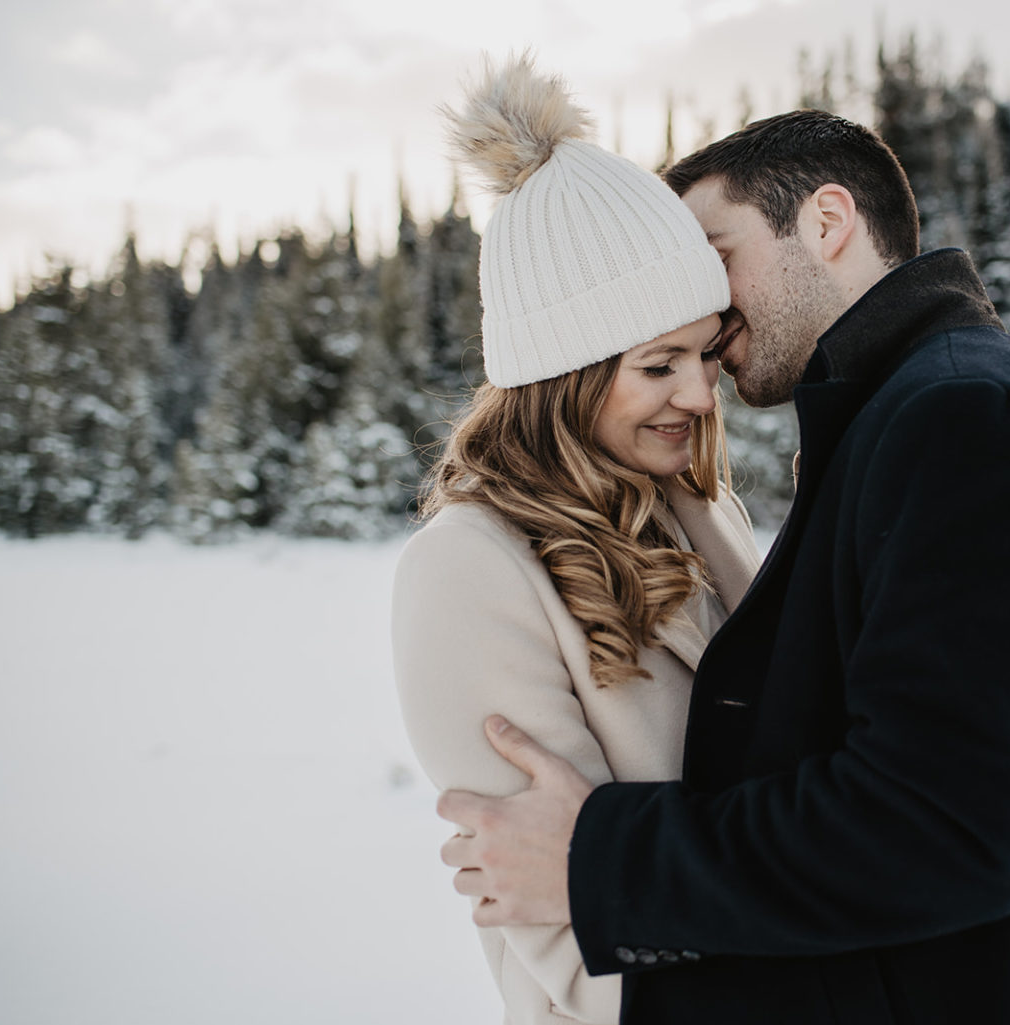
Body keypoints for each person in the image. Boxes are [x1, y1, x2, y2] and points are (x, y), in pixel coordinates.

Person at [438, 109, 1010, 1023]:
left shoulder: (965, 419)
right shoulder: (909, 416)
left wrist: (606, 864)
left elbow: (941, 827)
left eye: (716, 250)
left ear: (827, 222)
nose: (707, 299)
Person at [391, 55, 760, 1025]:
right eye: (658, 362)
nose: (698, 391)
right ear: (566, 373)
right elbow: (552, 912)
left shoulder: (693, 503)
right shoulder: (469, 570)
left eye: (705, 349)